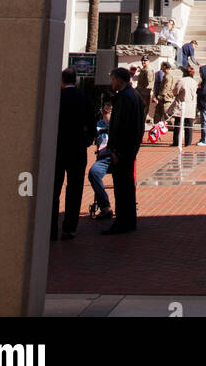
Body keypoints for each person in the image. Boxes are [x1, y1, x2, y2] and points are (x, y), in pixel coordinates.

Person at [51, 68, 94, 241]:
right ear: (75, 80)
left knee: (53, 190)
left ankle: (51, 228)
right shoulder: (84, 98)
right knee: (74, 189)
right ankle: (69, 228)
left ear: (62, 80)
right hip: (77, 150)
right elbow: (91, 126)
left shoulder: (56, 98)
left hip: (58, 149)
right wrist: (85, 142)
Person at [103, 66, 146, 235]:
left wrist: (116, 149)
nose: (111, 82)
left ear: (119, 80)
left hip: (122, 150)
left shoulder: (125, 98)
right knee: (127, 185)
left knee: (121, 187)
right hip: (129, 149)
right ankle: (128, 220)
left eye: (113, 79)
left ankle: (122, 221)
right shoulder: (134, 96)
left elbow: (121, 126)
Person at [88, 100, 114, 219]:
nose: (105, 114)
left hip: (116, 156)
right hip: (103, 157)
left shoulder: (117, 124)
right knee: (93, 173)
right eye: (104, 112)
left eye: (107, 112)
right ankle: (105, 206)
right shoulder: (99, 124)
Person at [176, 65, 198, 146]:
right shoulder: (194, 82)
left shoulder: (181, 80)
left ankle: (176, 142)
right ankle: (188, 143)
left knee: (178, 123)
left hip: (181, 104)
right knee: (189, 125)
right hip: (191, 105)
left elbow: (175, 91)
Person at [153, 61, 175, 127]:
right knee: (157, 115)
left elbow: (166, 88)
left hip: (166, 99)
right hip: (162, 99)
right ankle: (156, 131)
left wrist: (160, 96)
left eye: (162, 66)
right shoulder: (165, 75)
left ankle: (176, 130)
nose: (161, 68)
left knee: (167, 116)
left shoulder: (168, 76)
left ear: (165, 67)